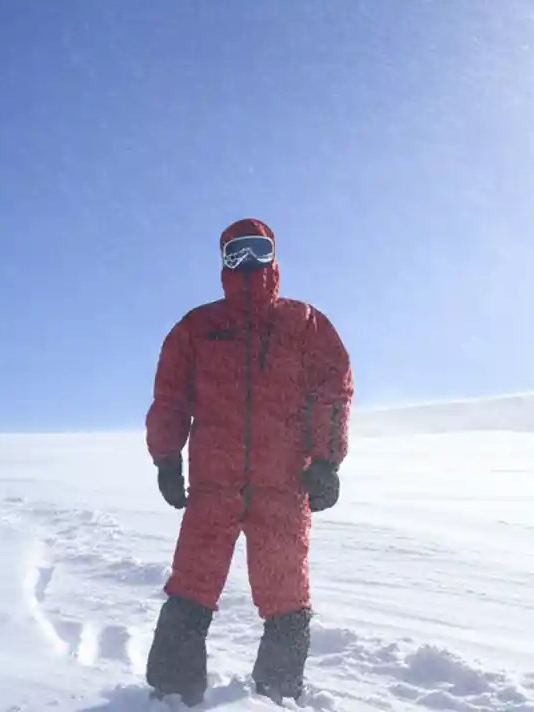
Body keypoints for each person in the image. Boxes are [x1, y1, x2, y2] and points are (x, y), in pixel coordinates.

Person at [142, 218, 353, 706]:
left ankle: (277, 695)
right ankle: (170, 691)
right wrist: (166, 458)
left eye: (258, 250)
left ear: (274, 255)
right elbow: (170, 397)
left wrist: (326, 461)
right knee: (191, 584)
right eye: (235, 253)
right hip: (214, 485)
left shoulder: (304, 324)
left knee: (285, 596)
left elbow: (333, 392)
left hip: (283, 485)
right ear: (222, 262)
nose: (248, 263)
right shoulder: (198, 327)